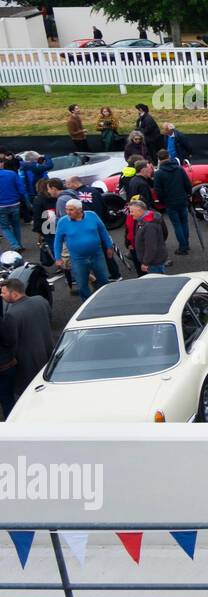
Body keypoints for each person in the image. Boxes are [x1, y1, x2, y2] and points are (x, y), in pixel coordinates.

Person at [0, 277, 54, 416]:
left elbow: (10, 341)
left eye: (4, 293)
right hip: (49, 355)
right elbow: (49, 319)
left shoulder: (12, 315)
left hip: (28, 364)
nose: (1, 295)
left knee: (30, 399)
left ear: (14, 293)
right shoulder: (41, 301)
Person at [52, 199, 114, 300]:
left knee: (104, 280)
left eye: (71, 210)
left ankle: (107, 300)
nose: (67, 212)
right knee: (82, 285)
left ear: (80, 209)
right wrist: (58, 258)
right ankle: (87, 303)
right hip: (78, 258)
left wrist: (109, 246)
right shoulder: (62, 222)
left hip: (97, 255)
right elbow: (57, 240)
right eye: (66, 209)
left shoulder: (92, 215)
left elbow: (103, 231)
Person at [127, 198, 168, 274]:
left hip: (154, 262)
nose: (130, 214)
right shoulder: (142, 221)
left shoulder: (149, 225)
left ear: (139, 211)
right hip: (154, 260)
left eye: (132, 211)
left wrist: (146, 263)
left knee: (157, 283)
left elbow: (151, 247)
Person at [0, 159, 23, 251]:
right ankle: (19, 244)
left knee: (5, 227)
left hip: (1, 206)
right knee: (16, 225)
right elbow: (21, 189)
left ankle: (15, 245)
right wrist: (19, 197)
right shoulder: (12, 174)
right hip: (14, 203)